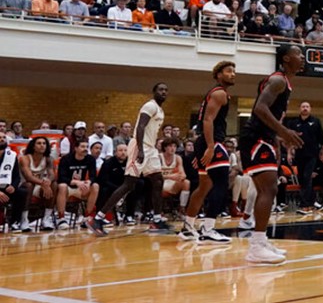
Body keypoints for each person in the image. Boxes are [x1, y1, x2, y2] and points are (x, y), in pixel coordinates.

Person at [240, 44, 305, 264]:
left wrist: (277, 138)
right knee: (268, 188)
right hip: (256, 137)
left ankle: (261, 239)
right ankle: (256, 246)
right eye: (298, 54)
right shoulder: (277, 80)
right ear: (286, 59)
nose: (302, 57)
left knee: (267, 189)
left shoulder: (283, 81)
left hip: (264, 136)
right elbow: (260, 108)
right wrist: (284, 131)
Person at [90, 83, 169, 235]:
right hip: (140, 146)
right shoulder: (150, 106)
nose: (164, 92)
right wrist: (140, 149)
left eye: (166, 90)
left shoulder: (160, 110)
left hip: (151, 147)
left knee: (158, 180)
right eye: (161, 89)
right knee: (129, 184)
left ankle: (157, 220)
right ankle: (98, 219)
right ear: (154, 92)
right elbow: (140, 127)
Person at [179, 60, 236, 244]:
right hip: (212, 142)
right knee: (221, 183)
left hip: (204, 142)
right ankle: (208, 229)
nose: (233, 74)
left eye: (234, 71)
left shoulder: (218, 93)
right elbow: (207, 120)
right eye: (228, 71)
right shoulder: (219, 93)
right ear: (219, 74)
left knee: (204, 186)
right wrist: (211, 146)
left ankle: (188, 227)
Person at [287, 101, 323, 215]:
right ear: (300, 108)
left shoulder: (316, 121)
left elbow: (322, 139)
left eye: (307, 106)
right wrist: (289, 153)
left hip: (312, 155)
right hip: (299, 155)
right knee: (302, 179)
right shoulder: (294, 123)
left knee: (307, 176)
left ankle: (305, 205)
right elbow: (290, 141)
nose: (305, 108)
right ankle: (313, 202)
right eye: (303, 106)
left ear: (310, 109)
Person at [55, 139, 99, 229]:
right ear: (75, 148)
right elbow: (61, 177)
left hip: (81, 188)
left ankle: (87, 217)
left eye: (87, 147)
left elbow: (93, 176)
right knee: (62, 186)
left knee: (95, 186)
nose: (85, 149)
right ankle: (61, 218)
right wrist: (75, 182)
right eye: (82, 147)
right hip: (68, 187)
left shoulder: (90, 159)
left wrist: (88, 182)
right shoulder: (66, 159)